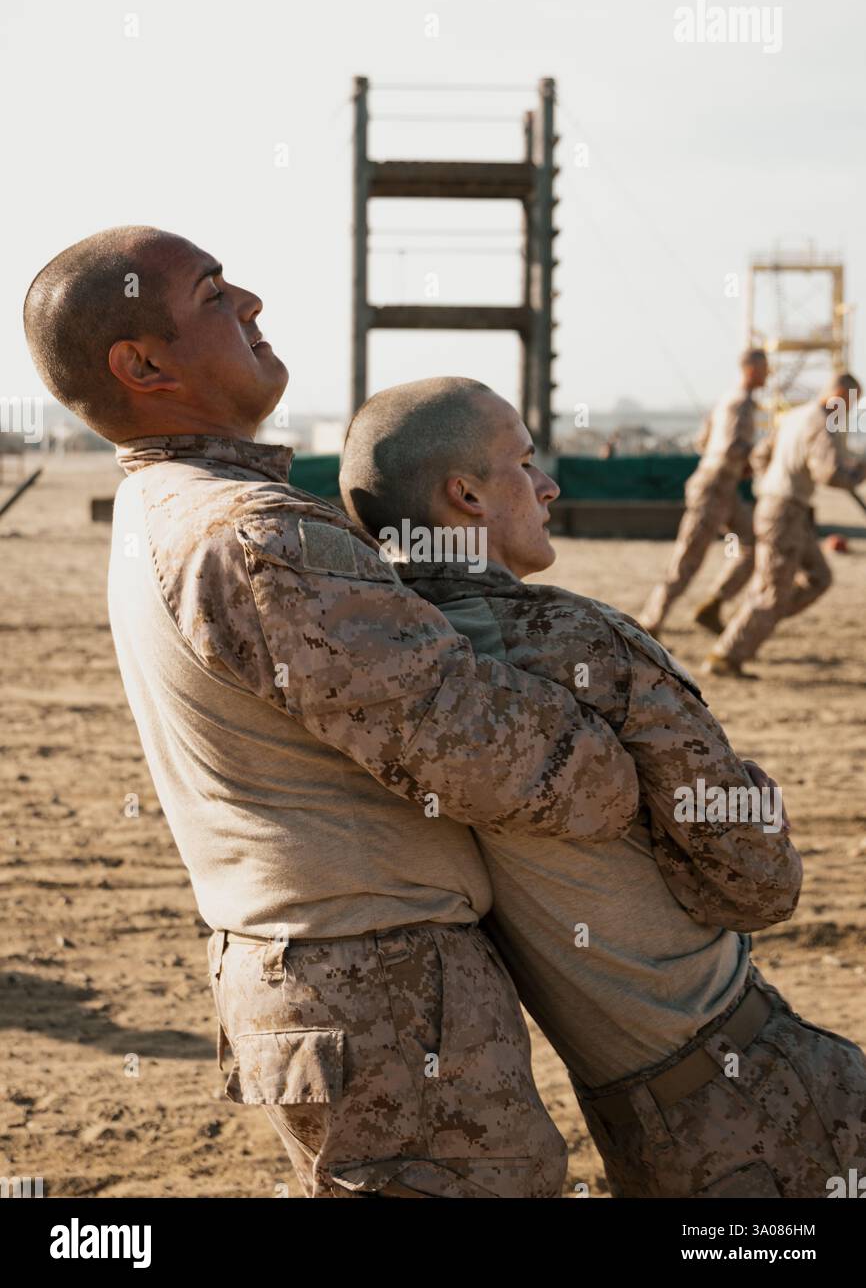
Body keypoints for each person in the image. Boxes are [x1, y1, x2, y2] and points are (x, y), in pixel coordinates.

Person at [23, 226, 644, 1200]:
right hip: (379, 989)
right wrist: (639, 757)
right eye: (215, 295)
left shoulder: (172, 503)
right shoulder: (255, 532)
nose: (253, 304)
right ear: (142, 363)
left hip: (337, 980)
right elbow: (474, 747)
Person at [340, 376, 866, 1198]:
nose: (549, 485)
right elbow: (761, 884)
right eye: (526, 463)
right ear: (466, 495)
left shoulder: (372, 661)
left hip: (633, 1116)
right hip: (756, 1081)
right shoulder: (583, 644)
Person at [705, 374, 866, 677]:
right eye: (851, 403)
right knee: (772, 592)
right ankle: (726, 655)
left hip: (782, 507)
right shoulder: (823, 421)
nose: (849, 411)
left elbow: (760, 454)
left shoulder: (793, 416)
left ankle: (757, 624)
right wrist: (858, 473)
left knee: (819, 576)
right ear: (840, 394)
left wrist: (767, 484)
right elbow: (829, 473)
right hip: (785, 512)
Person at [640, 348, 768, 637]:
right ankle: (650, 622)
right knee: (687, 561)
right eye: (764, 369)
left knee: (754, 546)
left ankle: (713, 605)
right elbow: (735, 446)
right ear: (751, 370)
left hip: (723, 486)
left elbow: (702, 442)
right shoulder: (743, 403)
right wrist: (759, 458)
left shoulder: (724, 400)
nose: (768, 375)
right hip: (714, 487)